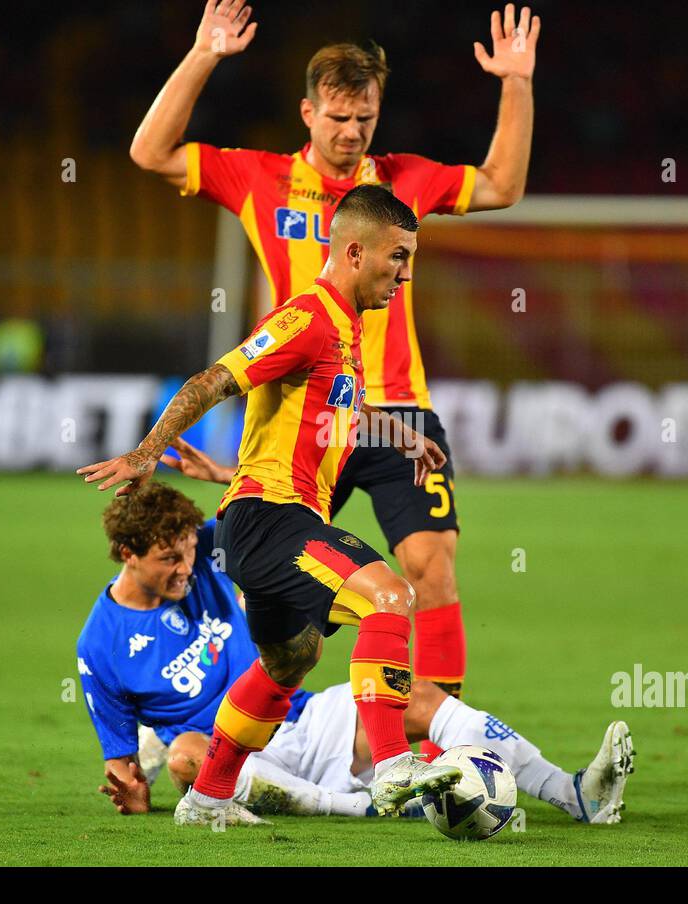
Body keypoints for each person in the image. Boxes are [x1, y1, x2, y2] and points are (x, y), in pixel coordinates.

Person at [129, 1, 539, 761]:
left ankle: (436, 748)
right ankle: (204, 740)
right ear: (308, 113)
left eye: (366, 119)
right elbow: (150, 152)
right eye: (339, 118)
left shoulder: (401, 183)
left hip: (394, 411)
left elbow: (504, 185)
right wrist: (203, 54)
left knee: (429, 565)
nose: (352, 134)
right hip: (303, 414)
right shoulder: (261, 178)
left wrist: (516, 83)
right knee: (288, 629)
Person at [81, 186, 461, 826]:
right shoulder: (305, 317)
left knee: (290, 660)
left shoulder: (347, 326)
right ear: (353, 251)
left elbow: (343, 405)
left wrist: (403, 436)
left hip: (271, 524)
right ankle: (396, 767)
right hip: (267, 515)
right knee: (390, 598)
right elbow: (214, 379)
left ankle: (208, 795)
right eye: (398, 256)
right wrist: (149, 450)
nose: (406, 273)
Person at [78, 477, 635, 825]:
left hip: (304, 717)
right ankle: (360, 806)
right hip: (235, 756)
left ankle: (576, 794)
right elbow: (123, 765)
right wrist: (132, 792)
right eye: (167, 560)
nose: (185, 568)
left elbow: (271, 513)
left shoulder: (212, 550)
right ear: (126, 554)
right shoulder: (100, 646)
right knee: (183, 758)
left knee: (418, 696)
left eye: (189, 552)